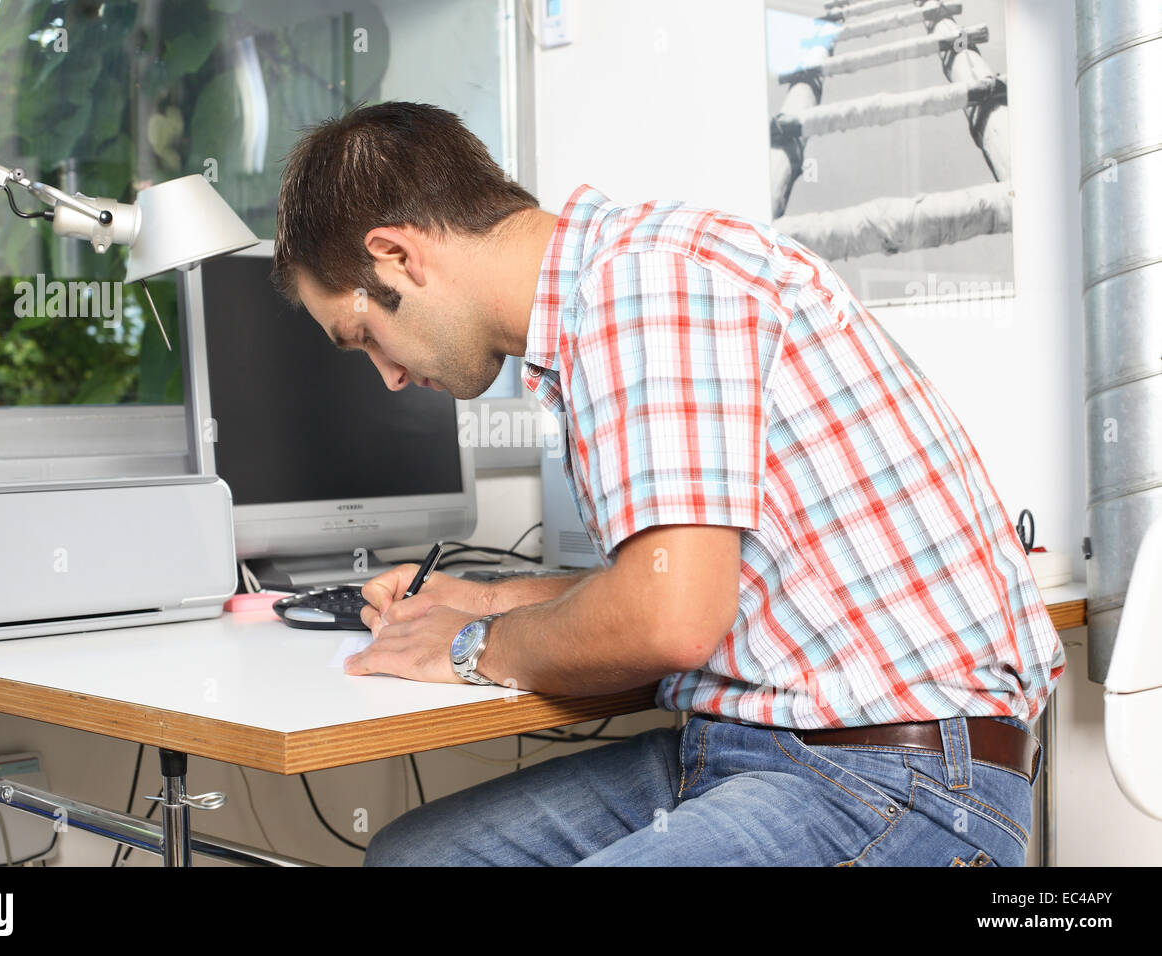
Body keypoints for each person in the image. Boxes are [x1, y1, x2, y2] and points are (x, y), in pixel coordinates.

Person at [272, 101, 1065, 866]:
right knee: (417, 857)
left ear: (398, 257)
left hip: (897, 776)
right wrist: (478, 599)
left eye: (366, 336)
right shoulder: (612, 293)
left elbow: (670, 622)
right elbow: (668, 583)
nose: (388, 377)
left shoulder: (640, 287)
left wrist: (474, 646)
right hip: (752, 746)